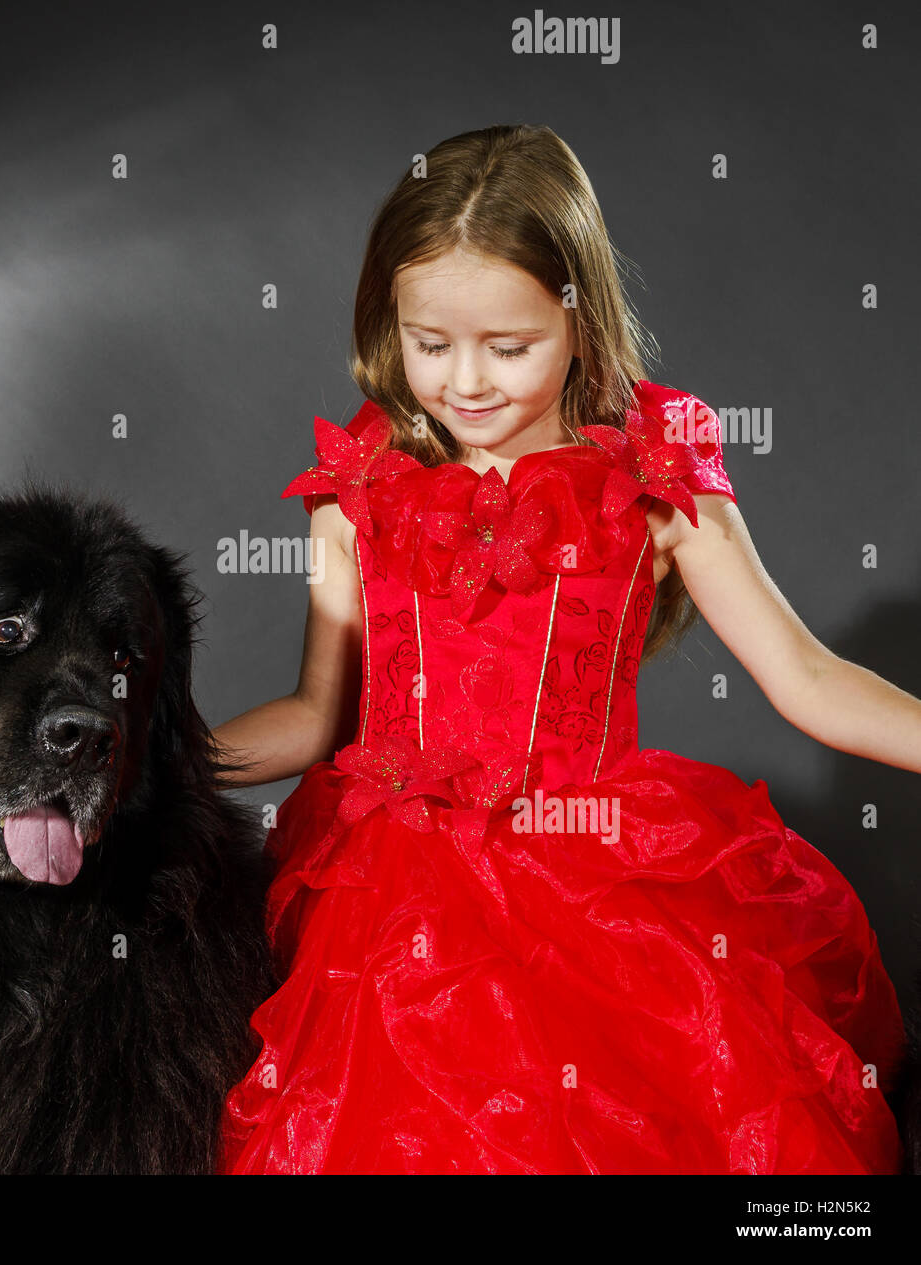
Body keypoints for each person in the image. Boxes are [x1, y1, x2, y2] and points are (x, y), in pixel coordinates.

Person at [211, 124, 920, 1174]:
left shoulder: (650, 476)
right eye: (429, 342)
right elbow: (315, 716)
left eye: (509, 346)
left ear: (580, 318)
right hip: (385, 900)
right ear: (387, 323)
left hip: (597, 878)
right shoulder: (360, 487)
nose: (466, 382)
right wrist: (149, 765)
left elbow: (807, 678)